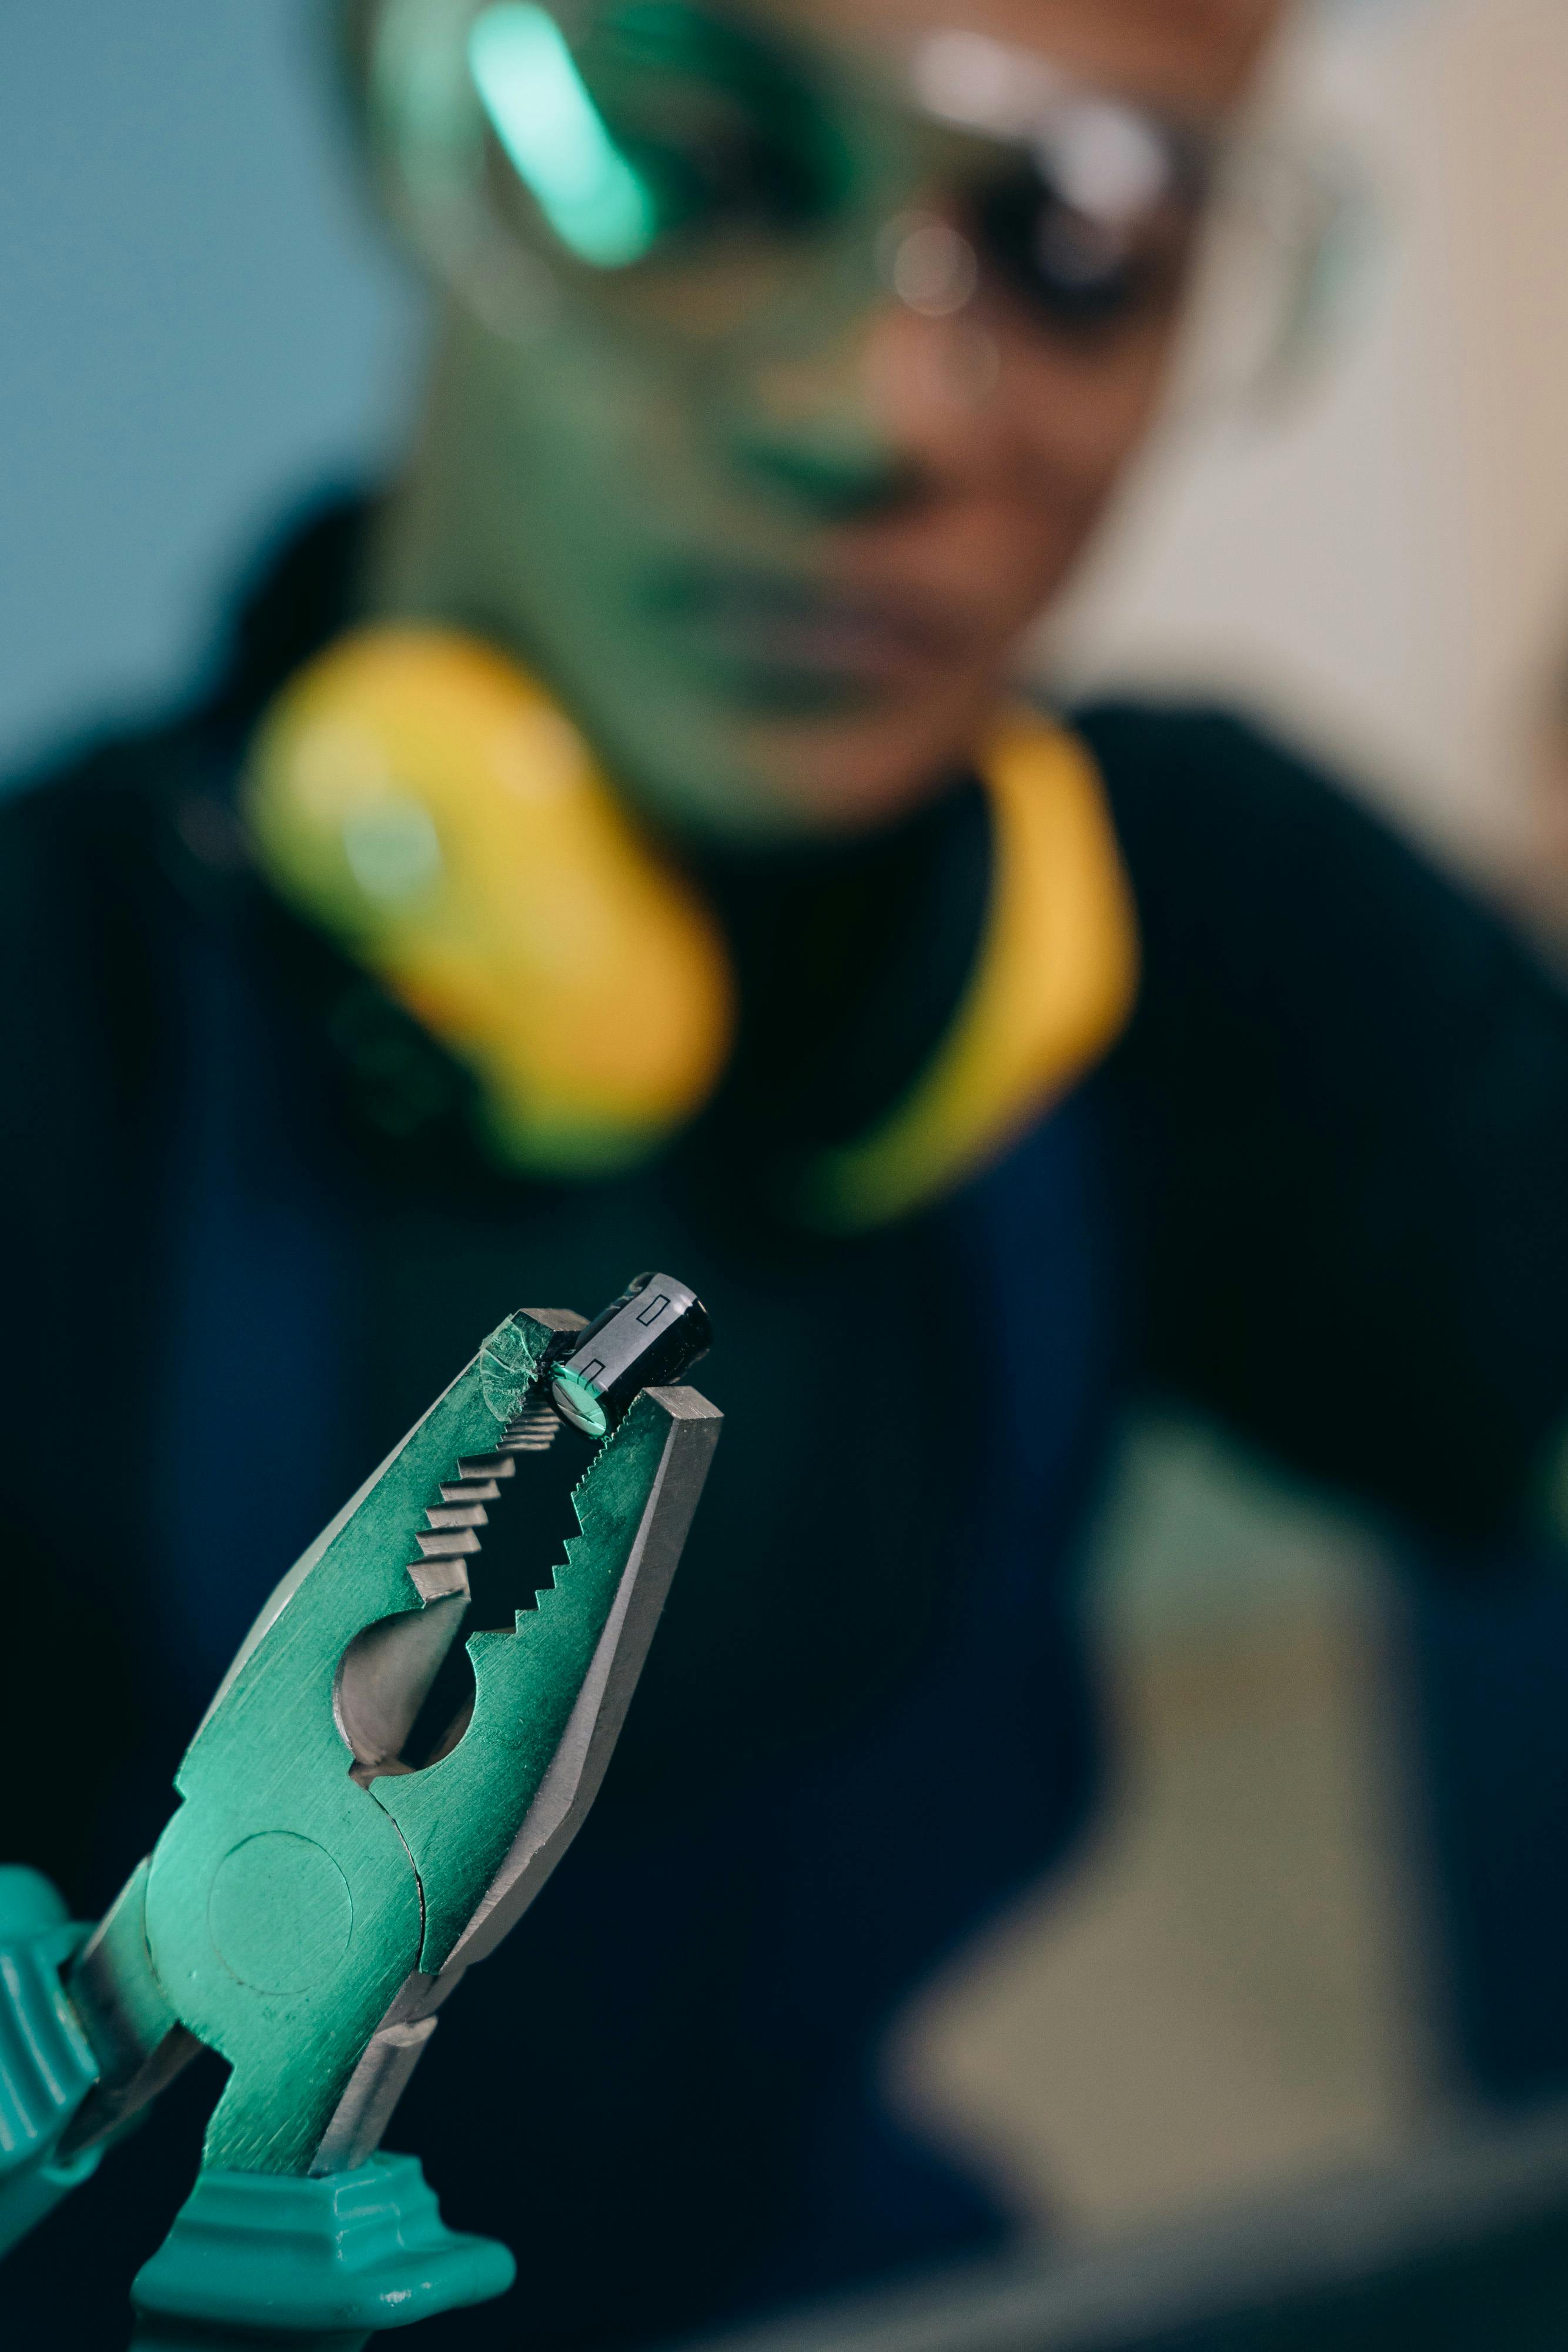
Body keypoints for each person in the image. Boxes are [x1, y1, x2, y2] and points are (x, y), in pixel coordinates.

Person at [5, 1, 1568, 2343]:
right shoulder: (45, 1032)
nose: (887, 408)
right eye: (678, 160)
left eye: (1086, 241)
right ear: (394, 106)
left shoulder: (1211, 927)